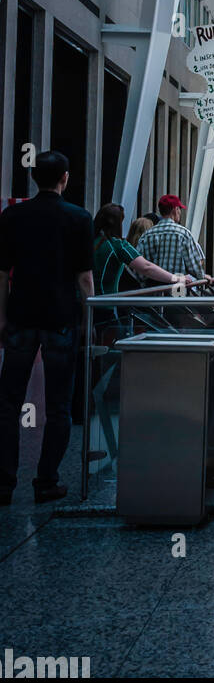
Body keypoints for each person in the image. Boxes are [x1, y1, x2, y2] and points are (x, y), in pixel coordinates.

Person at [0, 152, 94, 505]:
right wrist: (88, 319)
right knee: (58, 406)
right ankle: (46, 481)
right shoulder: (79, 218)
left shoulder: (13, 216)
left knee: (8, 403)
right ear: (65, 178)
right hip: (60, 319)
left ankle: (5, 483)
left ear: (34, 177)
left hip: (21, 316)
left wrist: (2, 317)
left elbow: (1, 274)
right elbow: (84, 278)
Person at [93, 205, 189, 294]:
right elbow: (146, 267)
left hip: (86, 300)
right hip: (105, 301)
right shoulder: (117, 245)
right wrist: (176, 278)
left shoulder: (90, 241)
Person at [136, 195, 206, 280]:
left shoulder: (147, 235)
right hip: (178, 290)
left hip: (152, 290)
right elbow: (195, 268)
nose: (180, 212)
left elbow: (139, 269)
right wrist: (202, 276)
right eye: (179, 209)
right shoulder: (183, 234)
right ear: (175, 209)